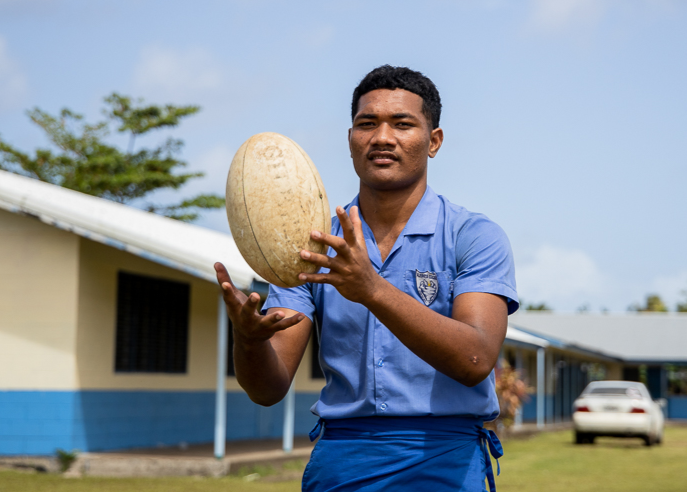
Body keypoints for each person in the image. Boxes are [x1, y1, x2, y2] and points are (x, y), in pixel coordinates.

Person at [215, 65, 518, 491]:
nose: (382, 137)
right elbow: (268, 388)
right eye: (367, 123)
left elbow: (475, 360)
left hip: (445, 461)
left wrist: (372, 290)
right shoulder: (311, 243)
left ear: (434, 141)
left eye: (403, 124)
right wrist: (248, 341)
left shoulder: (474, 236)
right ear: (351, 140)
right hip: (343, 462)